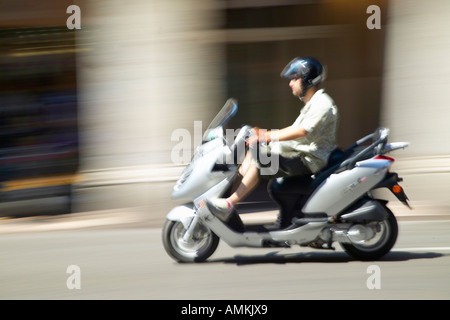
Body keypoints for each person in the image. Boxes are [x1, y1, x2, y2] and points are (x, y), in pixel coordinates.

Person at [206, 57, 339, 223]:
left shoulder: (322, 103)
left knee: (259, 159)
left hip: (308, 160)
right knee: (252, 151)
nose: (290, 83)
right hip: (297, 153)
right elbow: (294, 132)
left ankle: (229, 204)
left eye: (295, 79)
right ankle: (225, 194)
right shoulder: (312, 103)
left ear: (307, 80)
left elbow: (301, 131)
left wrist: (267, 136)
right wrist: (263, 135)